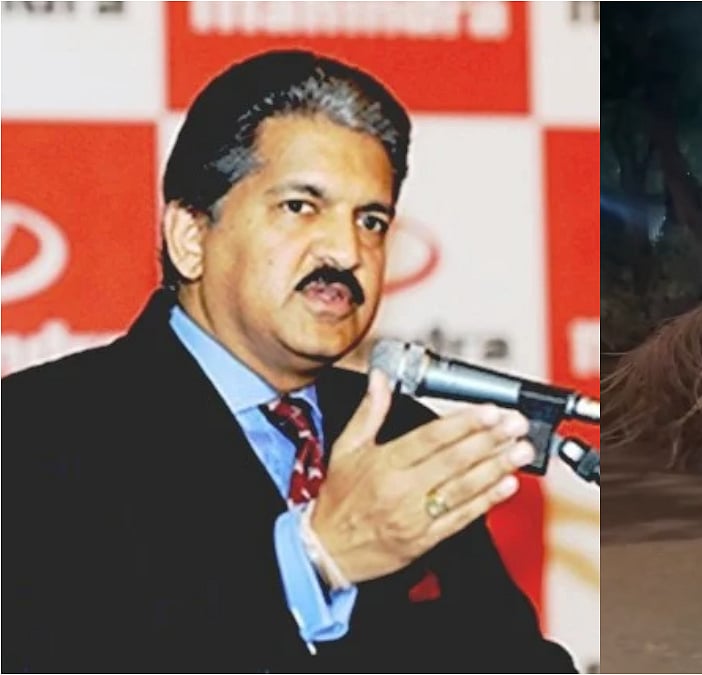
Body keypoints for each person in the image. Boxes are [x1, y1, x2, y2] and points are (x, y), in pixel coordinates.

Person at [3, 50, 576, 672]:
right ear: (192, 238)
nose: (347, 250)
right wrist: (316, 561)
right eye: (301, 207)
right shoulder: (37, 432)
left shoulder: (402, 433)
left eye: (372, 220)